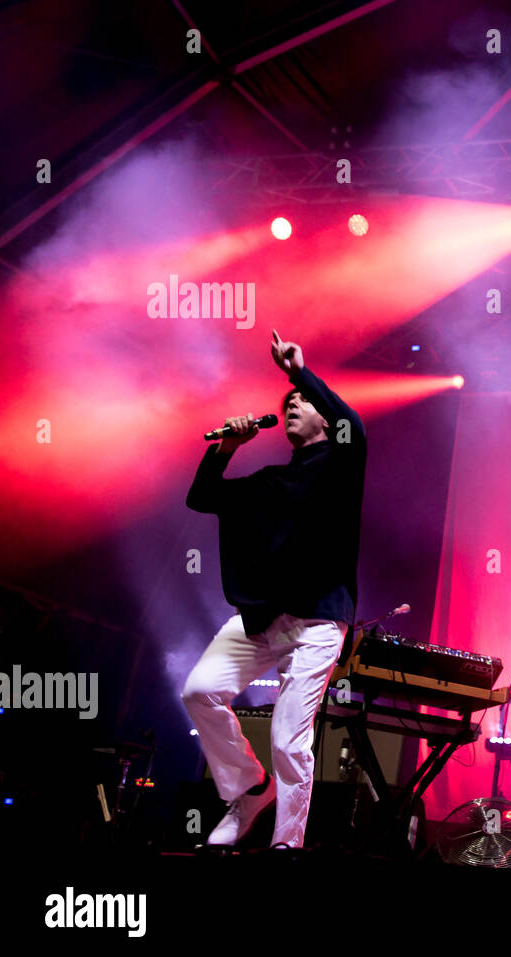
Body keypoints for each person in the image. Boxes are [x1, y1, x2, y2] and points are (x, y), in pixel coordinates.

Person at [182, 330, 366, 849]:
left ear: (325, 419)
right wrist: (227, 446)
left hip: (318, 622)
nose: (291, 405)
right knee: (199, 690)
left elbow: (352, 424)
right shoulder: (268, 483)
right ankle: (250, 786)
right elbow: (202, 497)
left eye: (302, 402)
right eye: (287, 402)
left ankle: (286, 845)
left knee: (289, 737)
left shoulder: (342, 460)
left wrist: (297, 372)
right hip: (264, 618)